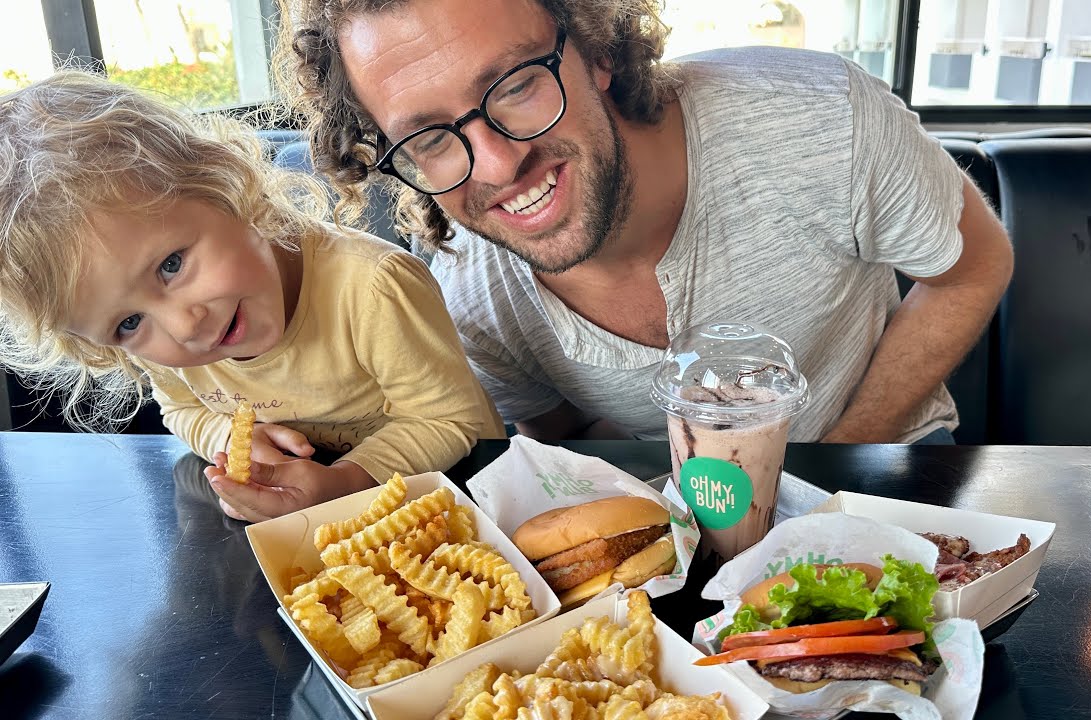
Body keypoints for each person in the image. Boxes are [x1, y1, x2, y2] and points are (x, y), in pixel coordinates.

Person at [275, 0, 1014, 445]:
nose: (498, 166)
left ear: (593, 50)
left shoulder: (823, 120)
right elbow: (557, 442)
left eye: (517, 85)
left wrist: (834, 464)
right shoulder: (469, 299)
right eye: (431, 137)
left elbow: (974, 264)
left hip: (887, 468)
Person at [0, 70, 505, 521]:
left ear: (225, 184)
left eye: (171, 266)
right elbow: (182, 410)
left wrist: (347, 482)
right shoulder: (169, 347)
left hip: (456, 505)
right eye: (127, 324)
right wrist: (230, 440)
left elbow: (451, 420)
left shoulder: (373, 287)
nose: (184, 326)